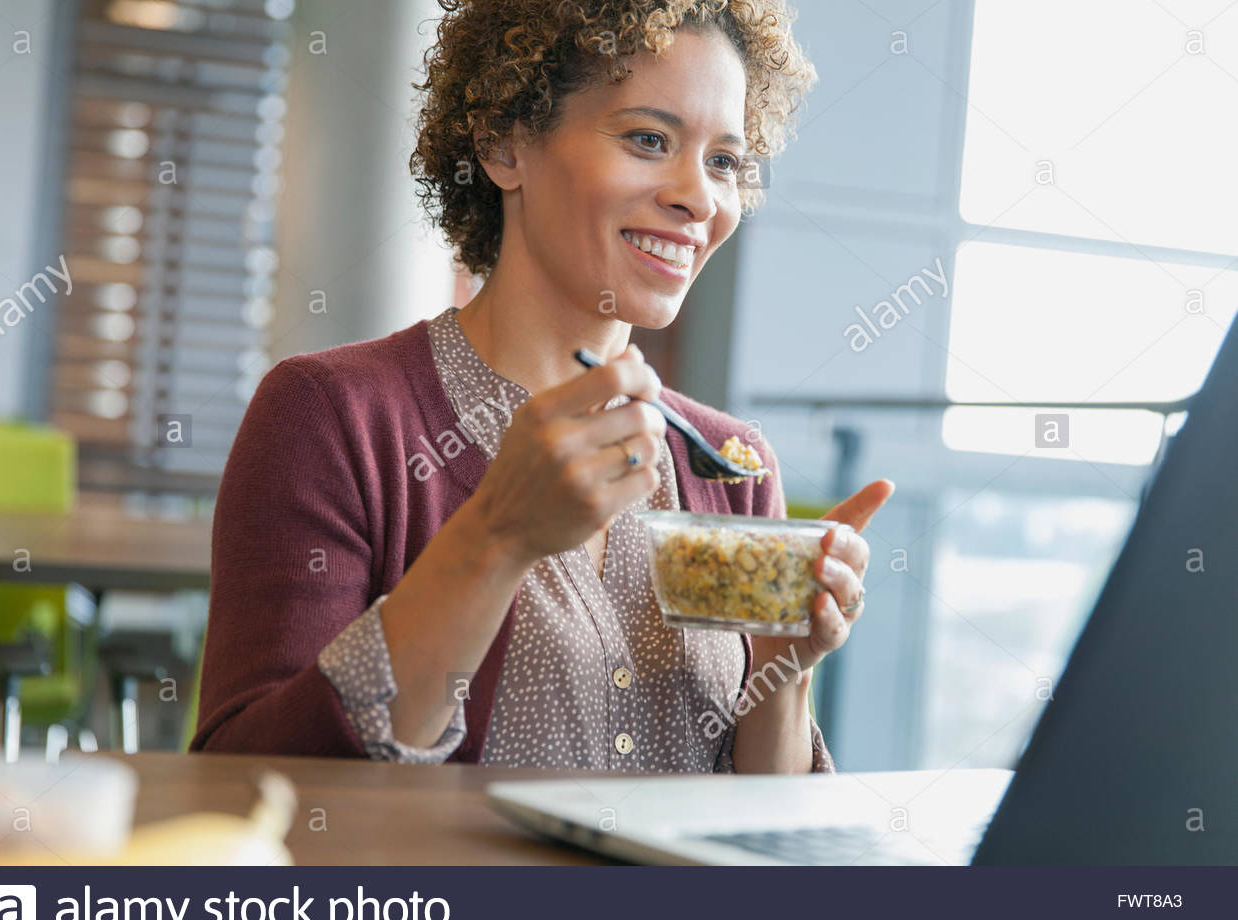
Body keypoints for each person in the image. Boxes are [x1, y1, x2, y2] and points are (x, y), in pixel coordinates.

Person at [193, 0, 895, 774]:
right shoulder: (330, 416)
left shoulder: (729, 464)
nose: (699, 197)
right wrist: (496, 534)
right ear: (502, 143)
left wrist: (784, 671)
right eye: (648, 139)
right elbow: (243, 780)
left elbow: (764, 844)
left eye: (725, 160)